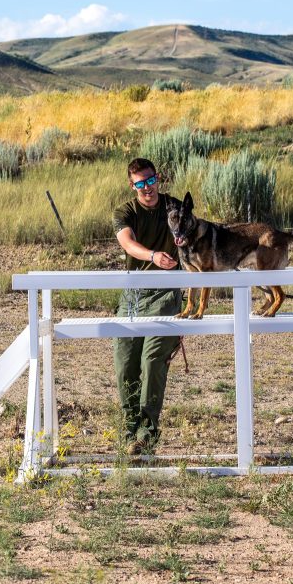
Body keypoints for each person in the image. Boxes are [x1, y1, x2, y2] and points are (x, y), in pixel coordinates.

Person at [112, 158, 182, 455]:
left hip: (166, 293)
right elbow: (127, 243)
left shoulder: (175, 208)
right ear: (132, 186)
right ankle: (130, 430)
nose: (147, 187)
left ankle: (146, 433)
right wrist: (152, 256)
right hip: (133, 293)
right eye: (139, 183)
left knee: (153, 360)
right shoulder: (126, 211)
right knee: (125, 363)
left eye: (150, 180)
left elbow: (192, 240)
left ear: (158, 178)